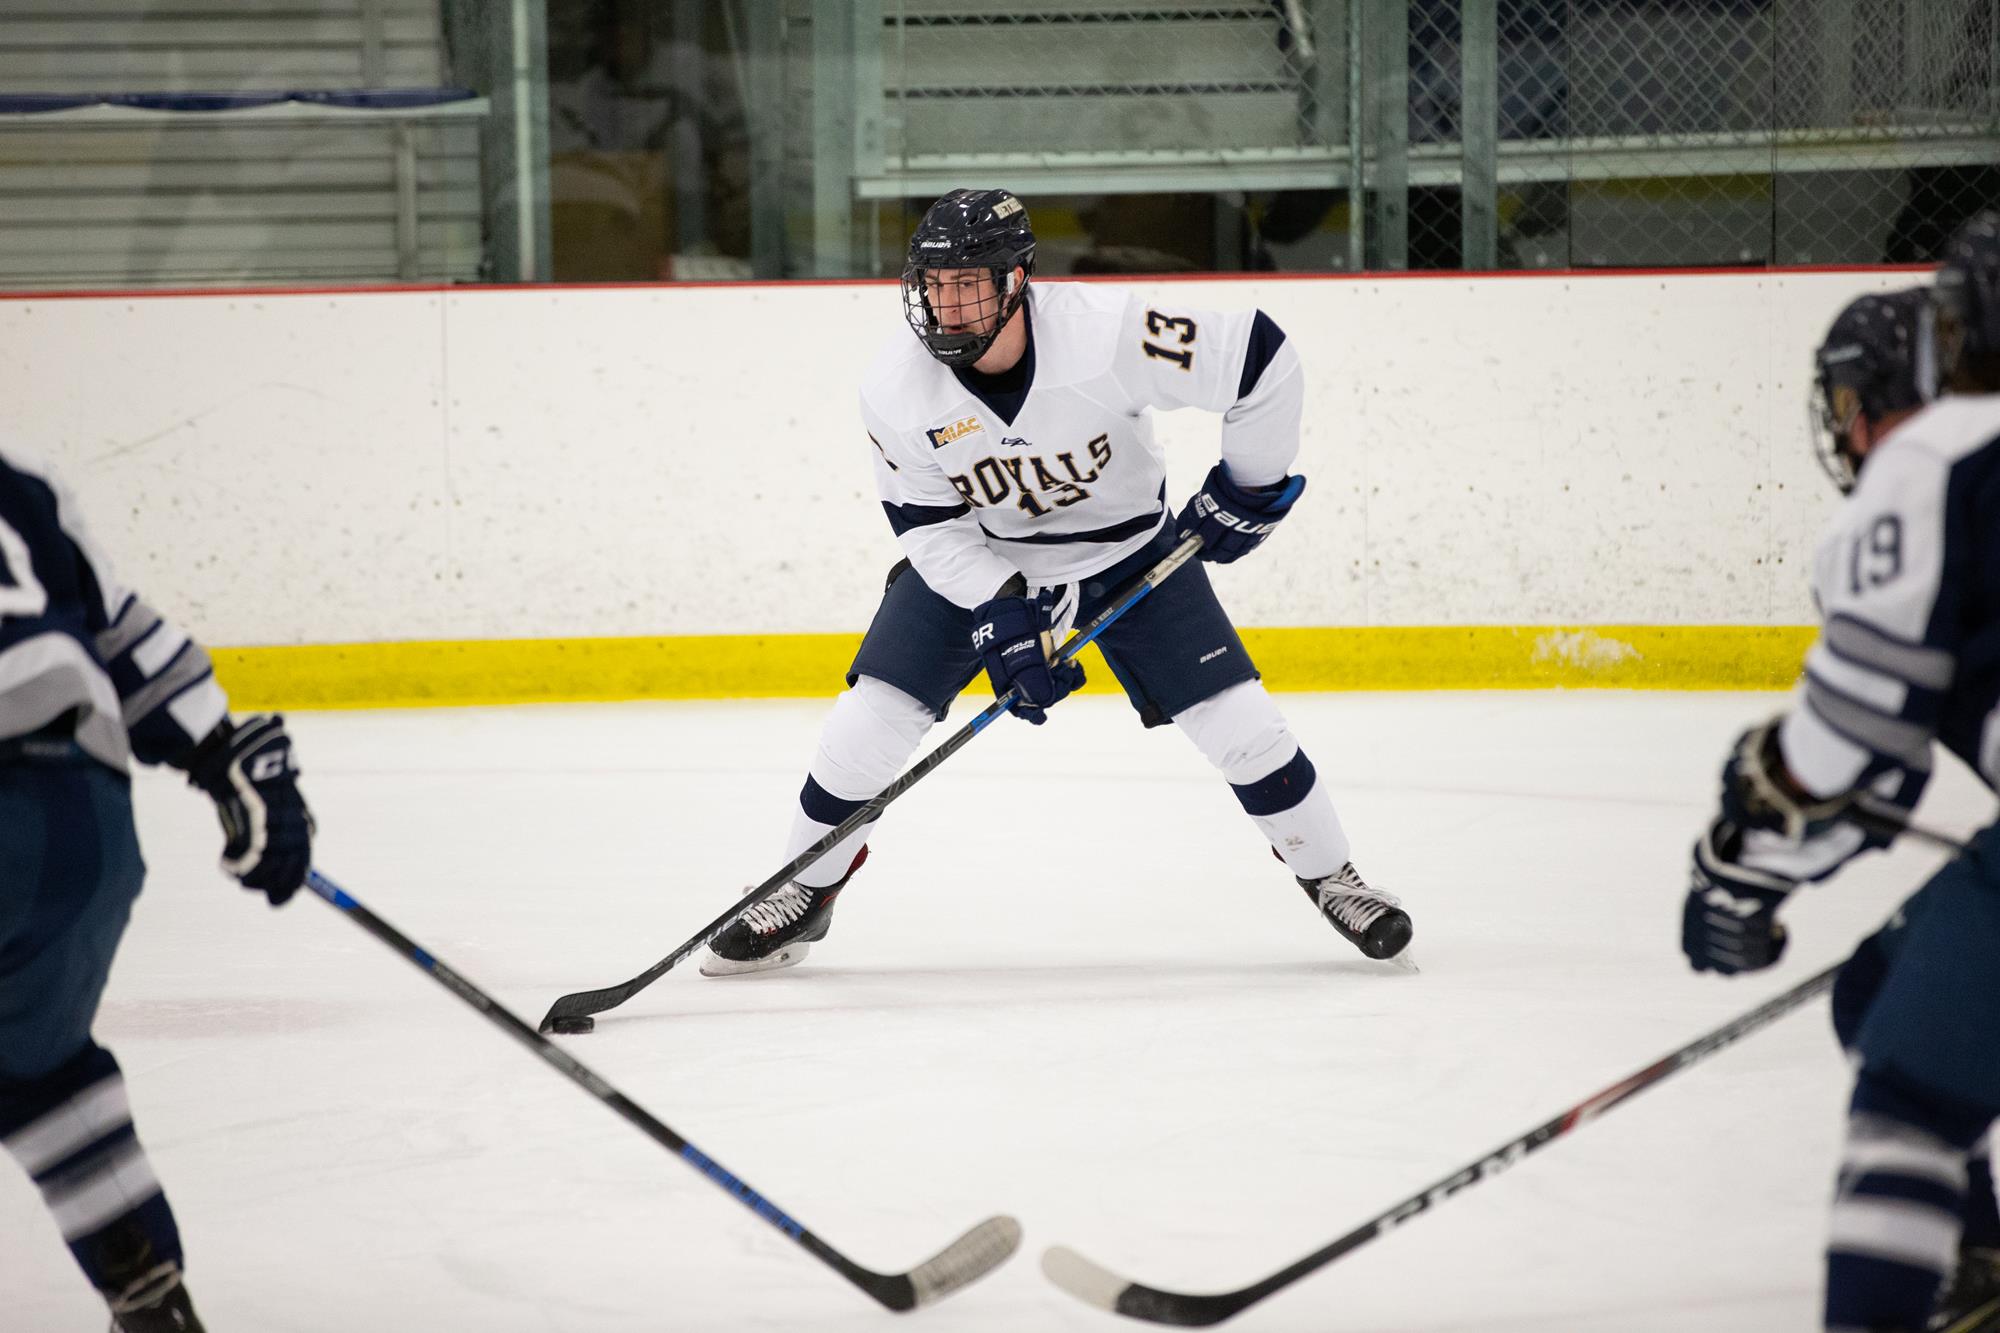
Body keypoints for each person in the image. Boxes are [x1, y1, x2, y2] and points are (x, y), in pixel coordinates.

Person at [701, 188, 1414, 978]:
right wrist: (999, 607)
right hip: (983, 555)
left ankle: (1332, 875)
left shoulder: (1108, 337)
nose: (947, 303)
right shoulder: (896, 388)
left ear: (1017, 282)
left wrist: (1249, 489)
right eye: (934, 283)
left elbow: (1260, 356)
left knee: (1241, 723)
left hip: (1131, 552)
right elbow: (930, 526)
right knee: (869, 720)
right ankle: (802, 889)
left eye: (969, 282)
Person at [1679, 215, 2000, 1332]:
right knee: (1878, 988)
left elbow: (1843, 758)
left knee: (1907, 1101)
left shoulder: (1932, 465)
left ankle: (1957, 1272)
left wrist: (1737, 873)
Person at [0, 449, 314, 1331]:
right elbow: (129, 637)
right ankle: (150, 1299)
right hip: (82, 827)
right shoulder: (23, 487)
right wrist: (231, 761)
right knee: (40, 1072)